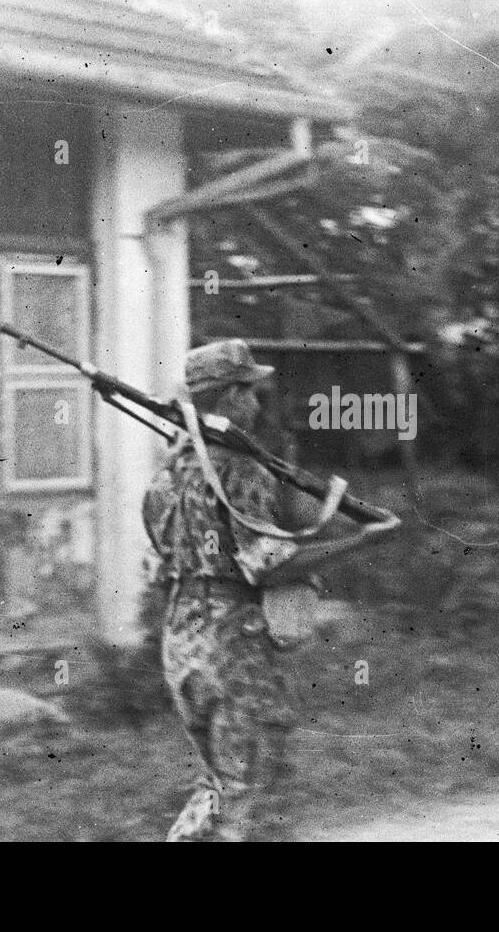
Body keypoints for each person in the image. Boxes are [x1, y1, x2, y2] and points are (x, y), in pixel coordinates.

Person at [141, 339, 392, 841]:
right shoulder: (242, 470)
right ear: (231, 397)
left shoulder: (167, 471)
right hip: (234, 647)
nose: (258, 405)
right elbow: (265, 566)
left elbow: (159, 558)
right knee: (257, 795)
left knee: (220, 783)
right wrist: (359, 541)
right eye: (252, 392)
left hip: (180, 641)